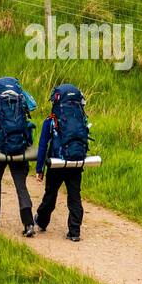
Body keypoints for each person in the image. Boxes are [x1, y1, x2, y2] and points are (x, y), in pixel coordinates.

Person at [0, 76, 37, 236]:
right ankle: (29, 224)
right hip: (19, 148)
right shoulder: (22, 96)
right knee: (21, 185)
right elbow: (32, 111)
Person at [34, 84, 88, 242]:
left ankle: (42, 221)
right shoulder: (81, 118)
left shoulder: (50, 120)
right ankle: (75, 232)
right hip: (76, 163)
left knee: (50, 195)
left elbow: (43, 145)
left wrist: (39, 169)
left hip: (56, 163)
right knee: (74, 197)